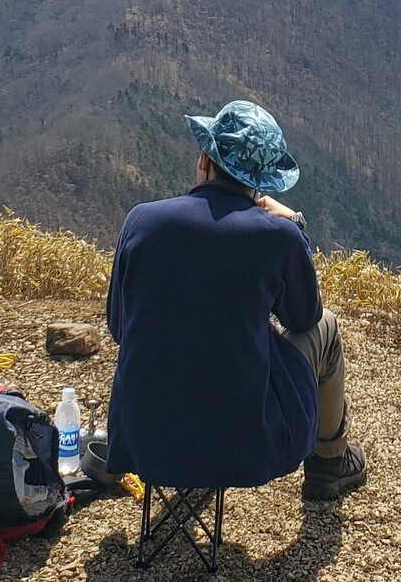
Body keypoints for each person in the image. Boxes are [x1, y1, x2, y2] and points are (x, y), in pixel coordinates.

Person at [104, 99, 367, 500]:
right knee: (325, 327)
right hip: (245, 445)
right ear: (261, 182)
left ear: (205, 160)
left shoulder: (141, 220)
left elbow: (119, 327)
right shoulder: (276, 236)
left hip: (142, 439)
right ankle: (330, 463)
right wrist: (295, 226)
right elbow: (303, 318)